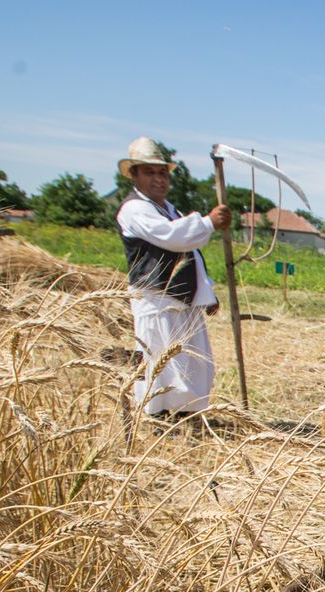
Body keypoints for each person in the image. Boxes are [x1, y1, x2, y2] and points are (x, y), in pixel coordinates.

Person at [116, 137, 231, 418]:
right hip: (156, 299)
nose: (158, 179)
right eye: (149, 172)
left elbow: (190, 253)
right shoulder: (134, 209)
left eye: (162, 173)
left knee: (191, 364)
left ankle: (183, 414)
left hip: (181, 299)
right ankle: (156, 415)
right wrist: (207, 222)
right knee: (158, 359)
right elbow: (174, 238)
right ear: (134, 175)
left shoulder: (169, 209)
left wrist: (206, 293)